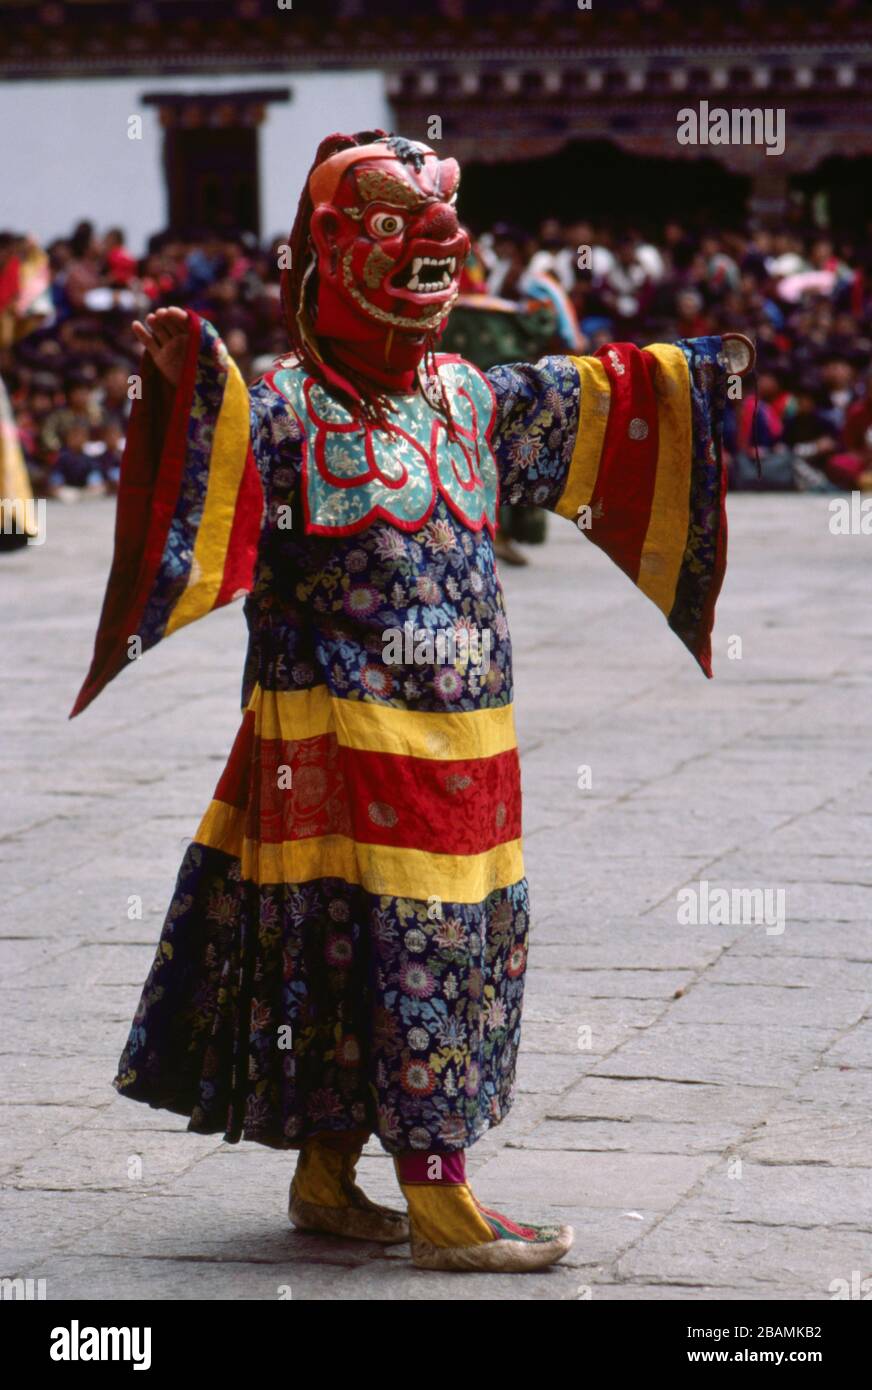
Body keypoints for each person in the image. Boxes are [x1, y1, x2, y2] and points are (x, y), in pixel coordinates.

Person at [73, 130, 754, 1274]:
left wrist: (688, 373)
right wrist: (183, 387)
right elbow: (211, 471)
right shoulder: (286, 409)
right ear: (326, 249)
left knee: (418, 948)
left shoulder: (466, 396)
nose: (433, 239)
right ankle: (438, 1198)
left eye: (439, 214)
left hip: (468, 749)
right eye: (392, 222)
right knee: (392, 950)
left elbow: (589, 400)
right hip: (337, 744)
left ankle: (326, 1175)